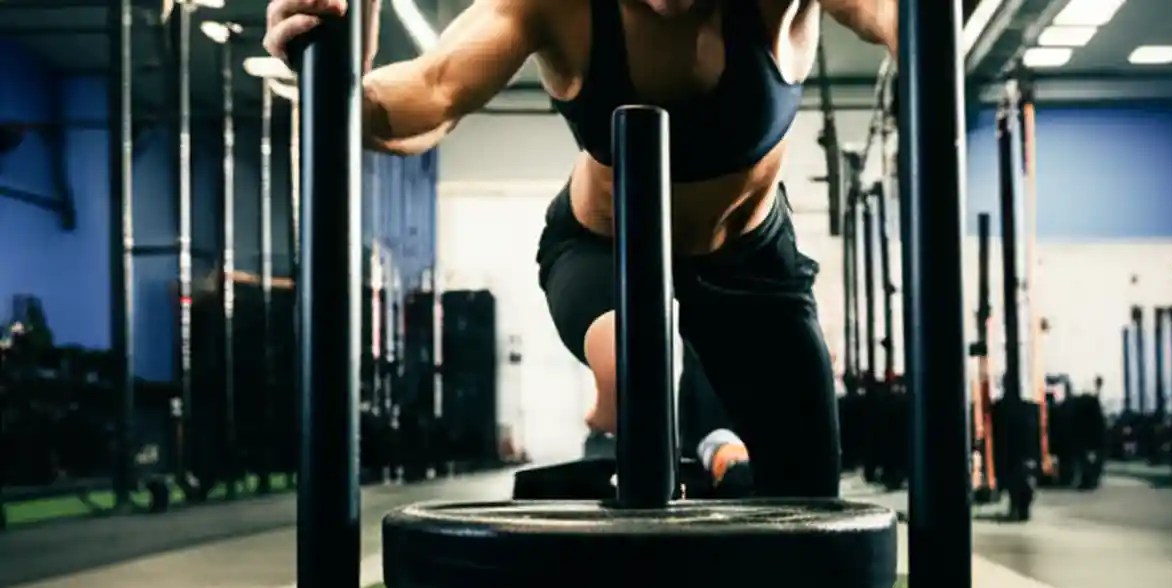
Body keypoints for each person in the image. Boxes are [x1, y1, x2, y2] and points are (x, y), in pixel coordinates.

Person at [264, 0, 897, 498]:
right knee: (637, 369)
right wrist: (332, 76)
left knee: (811, 491)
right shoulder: (556, 4)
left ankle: (713, 466)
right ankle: (626, 416)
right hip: (604, 251)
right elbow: (430, 95)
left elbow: (889, 13)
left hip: (753, 265)